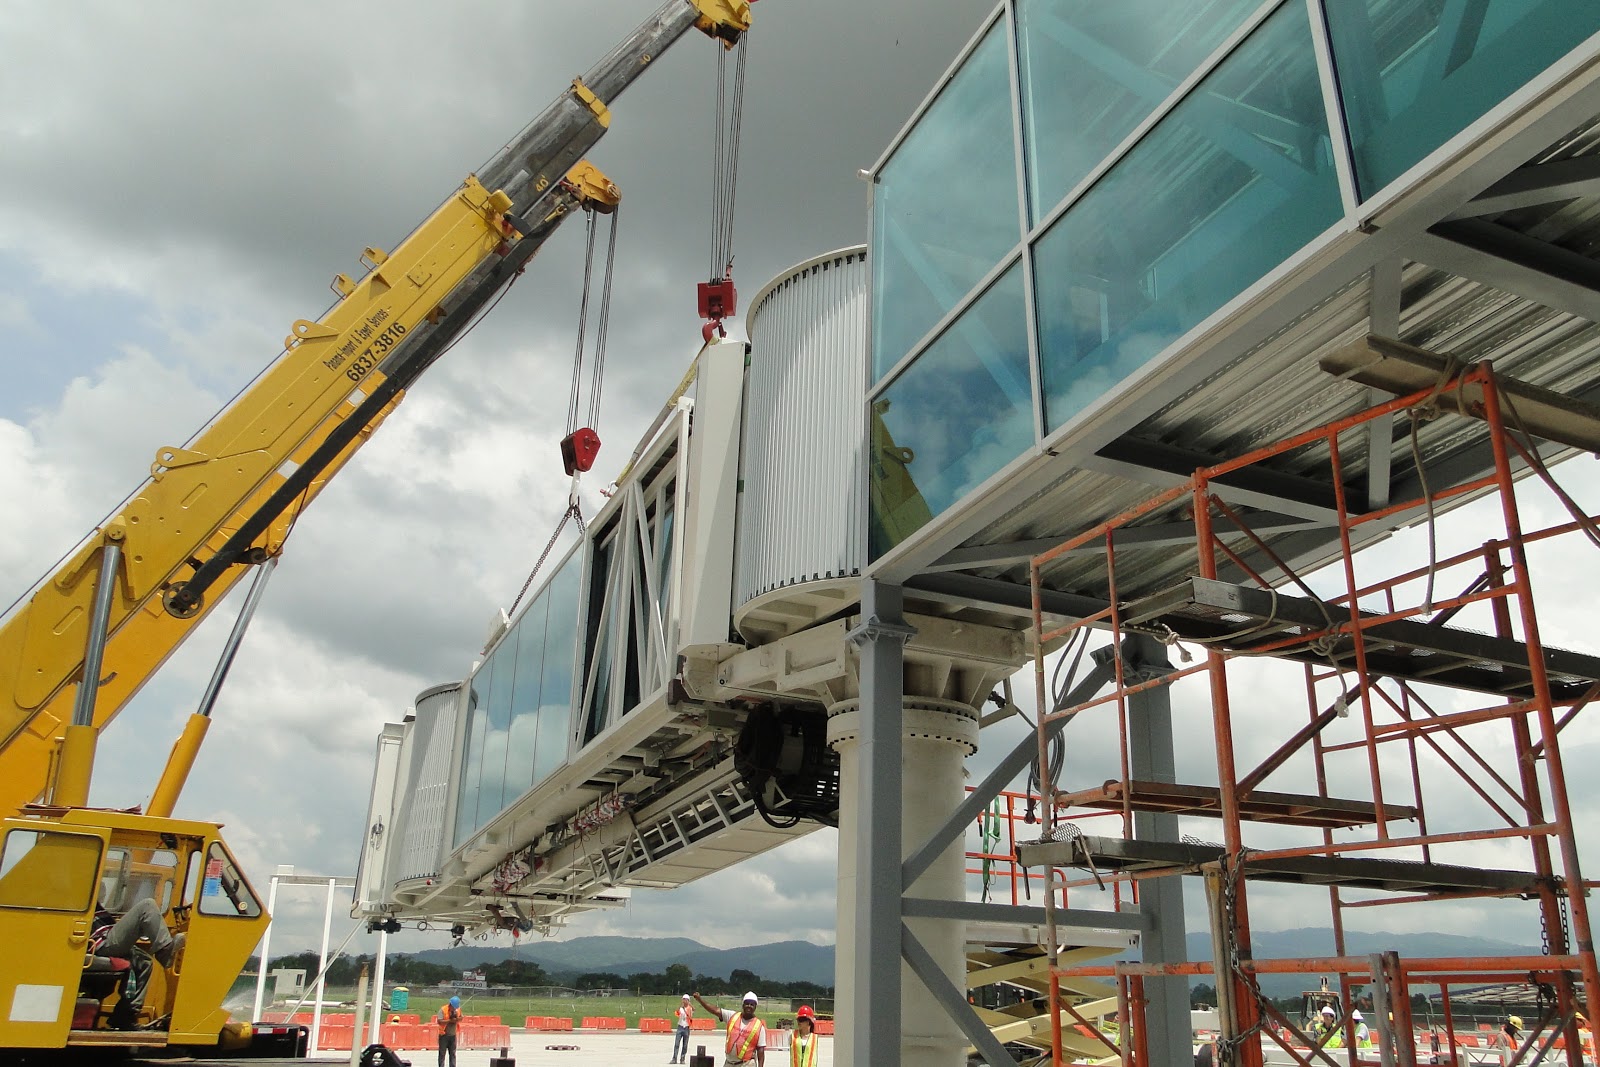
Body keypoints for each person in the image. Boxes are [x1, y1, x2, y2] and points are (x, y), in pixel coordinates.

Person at [693, 989, 765, 1067]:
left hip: (746, 1064)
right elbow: (715, 1010)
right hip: (729, 1063)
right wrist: (700, 1000)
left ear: (755, 1007)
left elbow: (760, 1050)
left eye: (752, 1004)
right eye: (747, 1003)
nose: (749, 1006)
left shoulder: (759, 1026)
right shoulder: (733, 1016)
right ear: (743, 1005)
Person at [435, 995, 462, 1067]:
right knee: (442, 1053)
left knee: (453, 1053)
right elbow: (439, 1021)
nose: (454, 1009)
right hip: (444, 1035)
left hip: (453, 1035)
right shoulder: (443, 1009)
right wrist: (449, 1021)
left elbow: (461, 1018)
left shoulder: (457, 1009)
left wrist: (456, 1019)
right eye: (453, 1007)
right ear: (450, 1005)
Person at [673, 993, 694, 1064]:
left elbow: (693, 1011)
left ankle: (682, 1059)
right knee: (676, 1044)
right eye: (683, 999)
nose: (684, 1001)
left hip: (687, 1028)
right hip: (680, 1026)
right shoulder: (681, 1008)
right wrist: (680, 1006)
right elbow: (676, 1013)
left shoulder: (690, 1009)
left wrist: (689, 1005)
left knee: (685, 1045)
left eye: (686, 1000)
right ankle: (674, 1058)